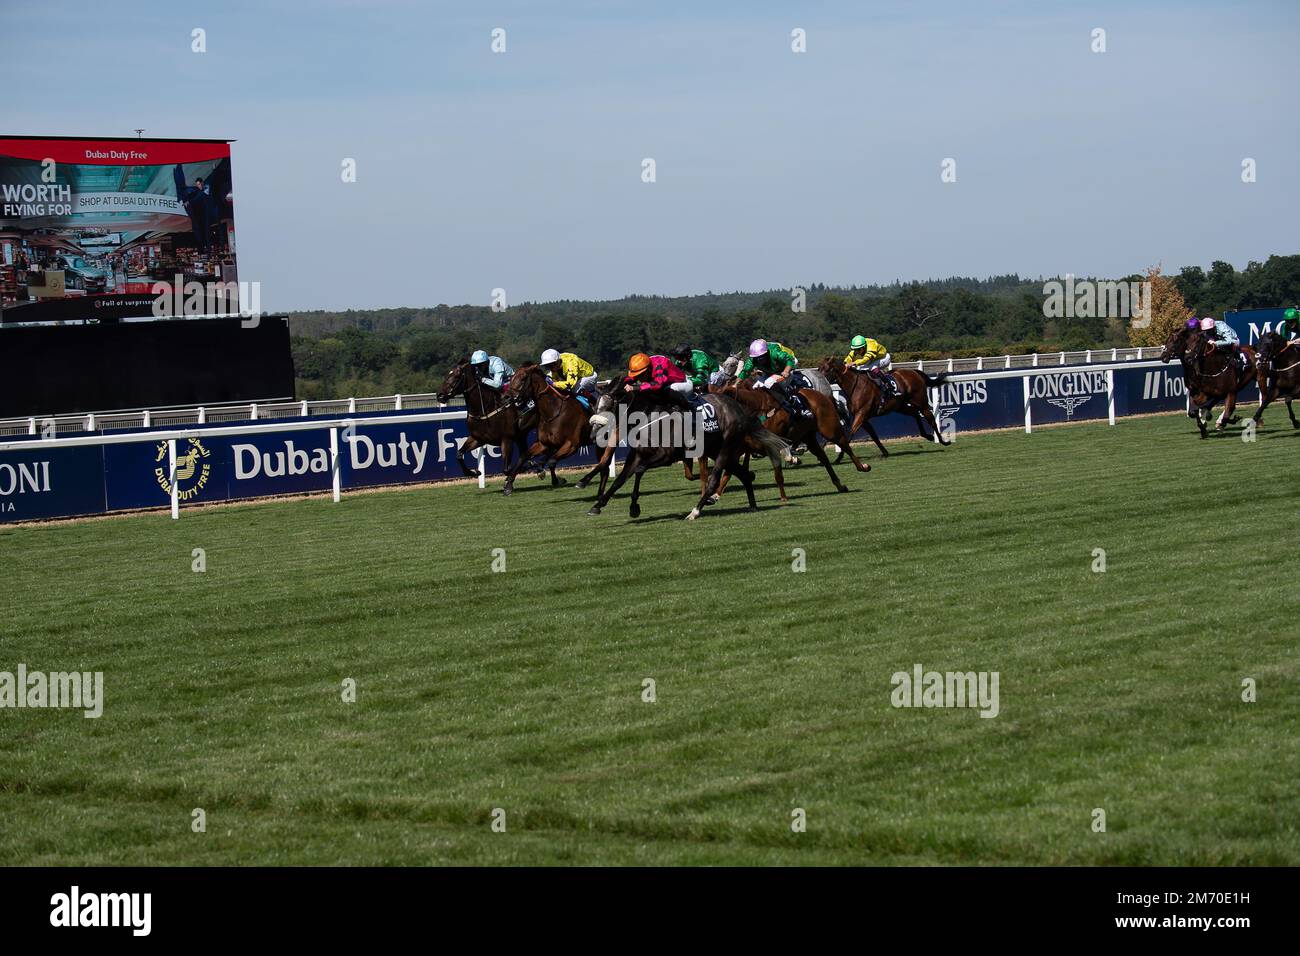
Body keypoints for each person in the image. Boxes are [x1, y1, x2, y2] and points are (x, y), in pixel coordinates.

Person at [736, 339, 802, 416]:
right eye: (757, 357)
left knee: (769, 383)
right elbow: (745, 371)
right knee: (755, 387)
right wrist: (735, 384)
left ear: (767, 353)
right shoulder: (752, 359)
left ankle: (790, 400)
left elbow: (789, 360)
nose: (759, 359)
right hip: (771, 371)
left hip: (788, 364)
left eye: (762, 356)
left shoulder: (774, 352)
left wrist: (786, 371)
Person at [172, 164, 218, 252]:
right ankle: (178, 168)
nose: (199, 185)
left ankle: (178, 168)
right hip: (196, 210)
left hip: (198, 211)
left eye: (200, 184)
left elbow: (211, 181)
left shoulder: (204, 189)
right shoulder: (198, 190)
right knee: (183, 190)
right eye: (198, 184)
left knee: (200, 228)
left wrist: (214, 170)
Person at [624, 352, 694, 409]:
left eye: (640, 375)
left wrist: (636, 388)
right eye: (636, 375)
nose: (638, 378)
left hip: (684, 384)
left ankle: (691, 409)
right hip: (665, 385)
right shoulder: (643, 366)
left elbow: (658, 384)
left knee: (670, 389)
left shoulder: (660, 364)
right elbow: (629, 379)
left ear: (648, 370)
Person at [845, 333, 898, 400]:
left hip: (884, 358)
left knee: (872, 367)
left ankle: (889, 386)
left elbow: (866, 359)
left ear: (864, 347)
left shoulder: (871, 345)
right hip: (873, 359)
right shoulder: (857, 347)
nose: (857, 352)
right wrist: (846, 363)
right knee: (859, 369)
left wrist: (853, 363)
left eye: (858, 350)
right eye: (855, 350)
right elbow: (849, 357)